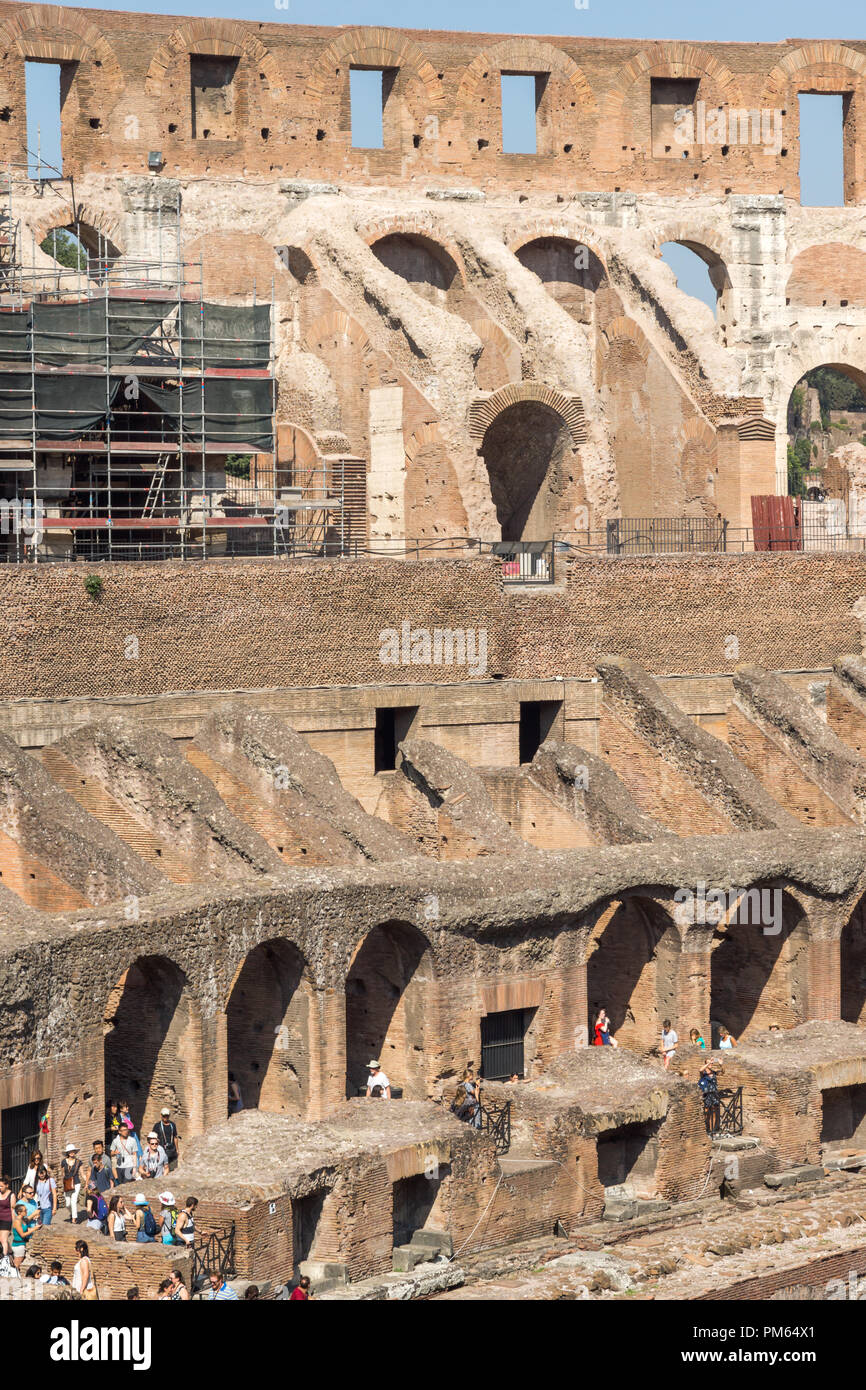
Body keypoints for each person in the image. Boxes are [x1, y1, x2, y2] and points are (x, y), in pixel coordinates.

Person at [60, 1144, 83, 1223]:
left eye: (73, 1151)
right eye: (70, 1151)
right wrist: (62, 1183)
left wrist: (87, 1182)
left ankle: (74, 1219)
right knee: (67, 1204)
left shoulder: (78, 1162)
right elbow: (62, 1173)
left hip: (76, 1183)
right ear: (68, 1153)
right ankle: (73, 1214)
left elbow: (82, 1173)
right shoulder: (63, 1161)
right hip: (67, 1183)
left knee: (73, 1201)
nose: (72, 1152)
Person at [10, 1202, 37, 1270]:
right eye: (25, 1211)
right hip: (18, 1245)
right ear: (19, 1212)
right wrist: (33, 1229)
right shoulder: (17, 1221)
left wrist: (36, 1228)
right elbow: (22, 1234)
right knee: (17, 1264)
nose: (26, 1212)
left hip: (21, 1244)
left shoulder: (22, 1220)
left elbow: (26, 1229)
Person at [698, 1063, 722, 1134]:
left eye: (711, 1063)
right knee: (706, 1112)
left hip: (714, 1094)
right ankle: (706, 1129)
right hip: (706, 1094)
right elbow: (700, 1069)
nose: (711, 1064)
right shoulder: (703, 1073)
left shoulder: (713, 1072)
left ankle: (713, 1130)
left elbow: (722, 1072)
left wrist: (721, 1065)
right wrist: (708, 1064)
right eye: (709, 1062)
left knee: (714, 1112)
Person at [0, 1177, 14, 1257]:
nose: (0, 1188)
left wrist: (13, 1224)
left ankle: (4, 1258)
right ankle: (10, 1252)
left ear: (7, 1185)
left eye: (1, 1186)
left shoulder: (11, 1195)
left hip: (7, 1219)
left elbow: (13, 1210)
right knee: (1, 1239)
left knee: (3, 1239)